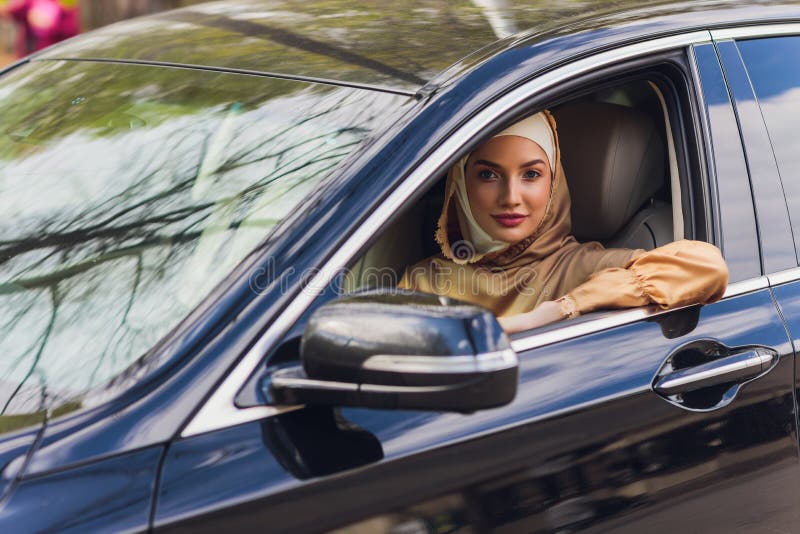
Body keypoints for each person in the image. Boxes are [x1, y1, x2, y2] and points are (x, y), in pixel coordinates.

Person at [398, 110, 728, 334]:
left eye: (531, 174)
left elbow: (706, 267)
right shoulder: (426, 280)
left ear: (554, 184)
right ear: (460, 184)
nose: (510, 197)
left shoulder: (584, 267)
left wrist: (557, 310)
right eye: (488, 175)